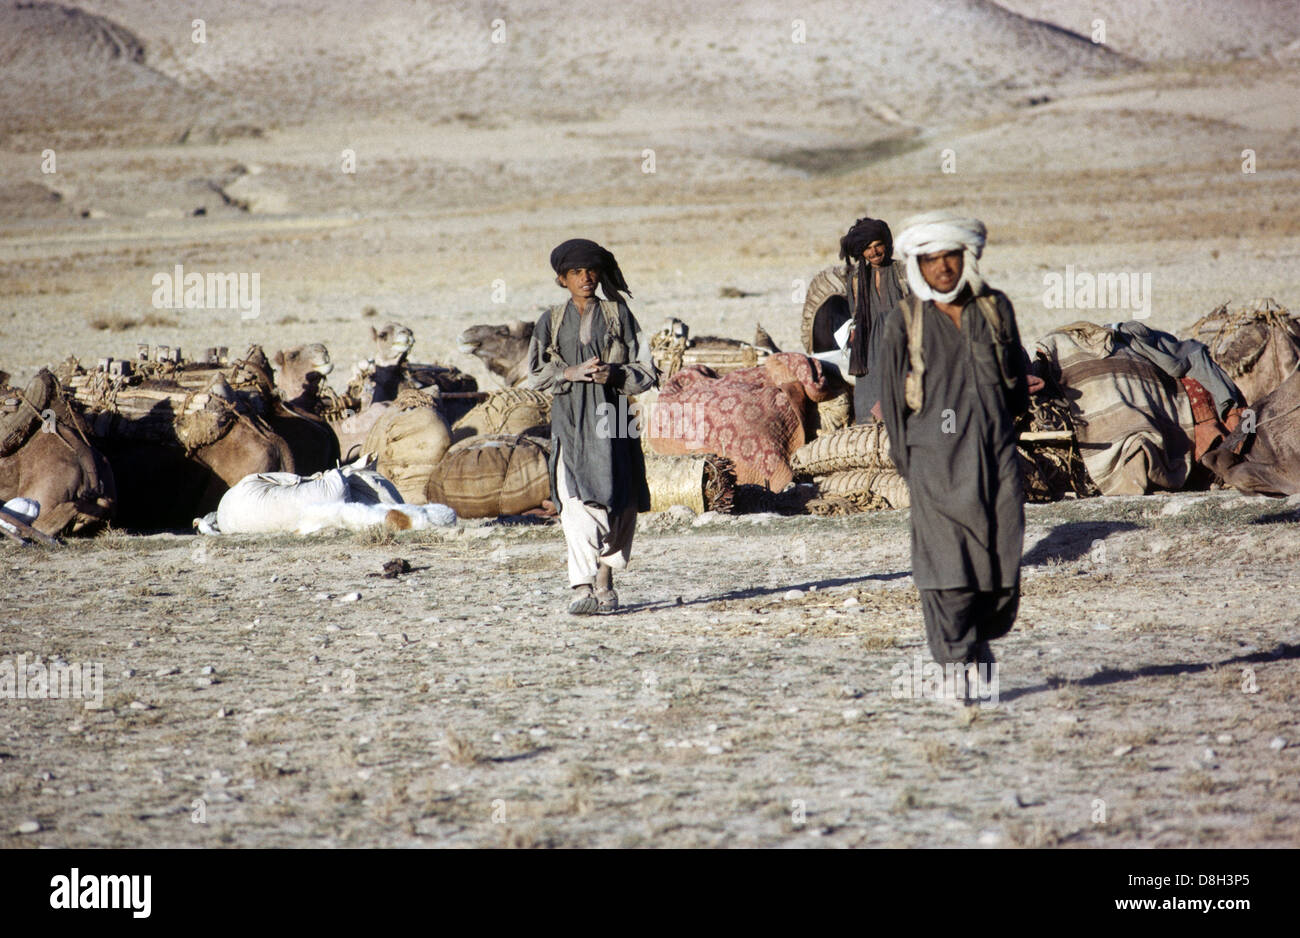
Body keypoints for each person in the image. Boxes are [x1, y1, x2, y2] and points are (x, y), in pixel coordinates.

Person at [875, 211, 1030, 701]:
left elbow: (1016, 385)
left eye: (951, 256)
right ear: (917, 265)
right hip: (934, 461)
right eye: (932, 259)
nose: (943, 267)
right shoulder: (904, 322)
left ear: (967, 258)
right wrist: (913, 465)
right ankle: (954, 663)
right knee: (947, 572)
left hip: (996, 459)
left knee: (999, 566)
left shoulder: (995, 309)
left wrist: (1006, 436)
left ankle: (978, 645)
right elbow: (894, 408)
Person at [525, 238, 658, 615]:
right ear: (561, 279)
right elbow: (535, 374)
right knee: (575, 502)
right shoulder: (550, 321)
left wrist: (613, 373)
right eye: (576, 273)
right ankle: (583, 587)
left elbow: (647, 369)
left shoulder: (619, 315)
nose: (585, 278)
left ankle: (605, 578)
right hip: (570, 421)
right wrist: (570, 372)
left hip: (615, 417)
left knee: (620, 503)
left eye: (591, 271)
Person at [841, 216, 909, 423]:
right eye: (867, 248)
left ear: (886, 245)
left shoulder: (902, 272)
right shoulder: (855, 280)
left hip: (901, 346)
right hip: (868, 351)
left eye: (878, 245)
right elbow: (855, 314)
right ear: (860, 251)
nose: (874, 252)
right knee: (866, 408)